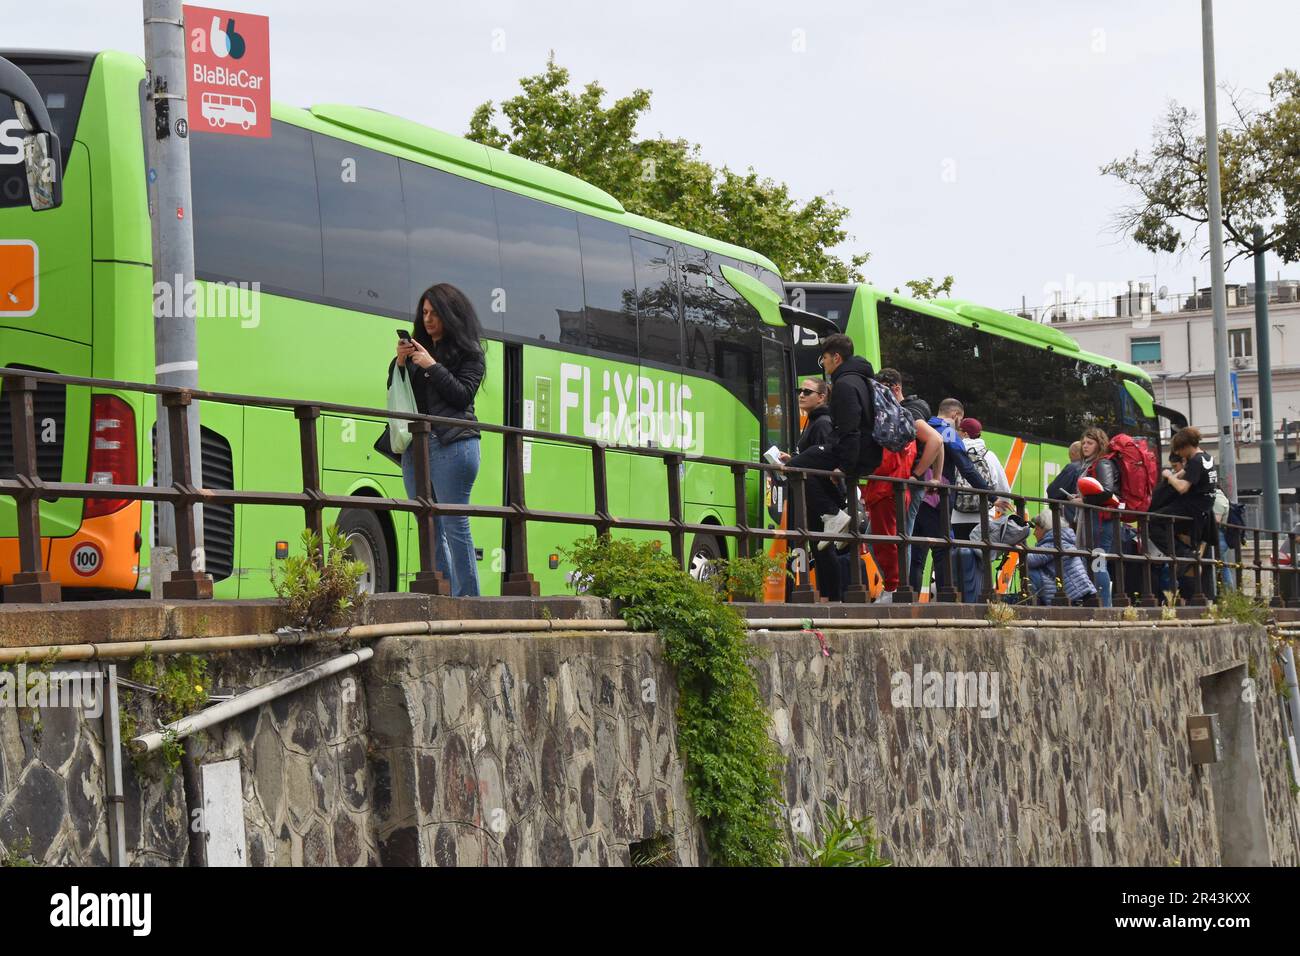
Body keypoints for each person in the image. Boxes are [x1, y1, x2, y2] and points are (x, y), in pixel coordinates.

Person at [392, 283, 486, 597]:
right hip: (416, 446)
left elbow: (461, 396)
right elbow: (401, 397)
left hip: (454, 443)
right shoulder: (417, 354)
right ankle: (442, 599)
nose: (428, 319)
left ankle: (469, 604)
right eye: (425, 312)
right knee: (427, 524)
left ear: (450, 314)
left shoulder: (470, 353)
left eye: (435, 313)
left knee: (454, 523)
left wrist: (432, 366)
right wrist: (401, 364)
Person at [816, 334, 883, 596]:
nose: (823, 364)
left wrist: (844, 467)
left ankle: (834, 514)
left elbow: (851, 429)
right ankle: (835, 516)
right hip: (866, 454)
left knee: (800, 466)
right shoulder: (864, 378)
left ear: (836, 357)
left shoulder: (844, 384)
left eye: (824, 359)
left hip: (855, 456)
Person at [909, 397, 992, 598]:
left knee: (915, 553)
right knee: (942, 549)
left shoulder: (922, 425)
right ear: (955, 416)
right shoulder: (947, 432)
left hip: (915, 494)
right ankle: (946, 598)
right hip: (937, 498)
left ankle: (909, 597)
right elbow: (966, 467)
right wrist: (988, 494)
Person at [781, 378, 847, 601]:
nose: (801, 395)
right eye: (800, 390)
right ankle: (829, 597)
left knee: (824, 549)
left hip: (820, 494)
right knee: (820, 547)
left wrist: (796, 463)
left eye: (807, 392)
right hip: (814, 493)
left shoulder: (822, 423)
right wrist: (795, 459)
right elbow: (813, 457)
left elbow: (822, 460)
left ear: (821, 397)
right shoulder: (813, 421)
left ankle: (833, 598)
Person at [1148, 427, 1219, 597]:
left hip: (1192, 507)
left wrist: (1168, 475)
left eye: (1179, 449)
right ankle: (1193, 591)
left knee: (1152, 521)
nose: (1179, 453)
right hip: (1204, 509)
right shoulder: (1206, 457)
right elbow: (1185, 474)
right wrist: (1176, 474)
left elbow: (1182, 487)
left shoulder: (1195, 460)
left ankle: (1182, 553)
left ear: (1186, 446)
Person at [875, 368, 943, 539]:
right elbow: (938, 441)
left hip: (908, 483)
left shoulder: (908, 413)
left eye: (883, 391)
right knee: (889, 536)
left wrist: (916, 474)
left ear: (896, 389)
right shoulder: (914, 407)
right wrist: (936, 476)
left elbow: (936, 440)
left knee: (897, 536)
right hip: (909, 483)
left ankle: (900, 567)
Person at [951, 416, 1012, 603]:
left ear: (964, 433)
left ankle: (958, 596)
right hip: (983, 517)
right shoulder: (989, 456)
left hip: (957, 516)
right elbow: (1005, 490)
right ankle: (981, 598)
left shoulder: (956, 452)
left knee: (958, 555)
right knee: (982, 557)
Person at [1073, 427, 1119, 607]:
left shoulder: (1102, 464)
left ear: (1099, 445)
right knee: (1094, 562)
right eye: (1084, 442)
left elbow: (1107, 492)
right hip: (1095, 520)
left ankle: (1105, 607)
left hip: (1099, 521)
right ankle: (1098, 604)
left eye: (1090, 443)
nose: (1085, 446)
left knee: (1098, 563)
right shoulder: (1091, 464)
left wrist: (1084, 500)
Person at [1025, 512, 1097, 606]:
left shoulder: (1055, 542)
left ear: (1045, 529)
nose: (1034, 533)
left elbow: (1030, 560)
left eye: (1037, 529)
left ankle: (1034, 603)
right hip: (1080, 591)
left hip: (1076, 594)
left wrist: (1021, 548)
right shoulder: (1061, 540)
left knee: (1030, 571)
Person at [1046, 441, 1084, 526]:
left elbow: (1052, 492)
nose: (1070, 459)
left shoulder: (1073, 467)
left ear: (1074, 453)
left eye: (1070, 456)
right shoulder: (1090, 466)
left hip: (1072, 519)